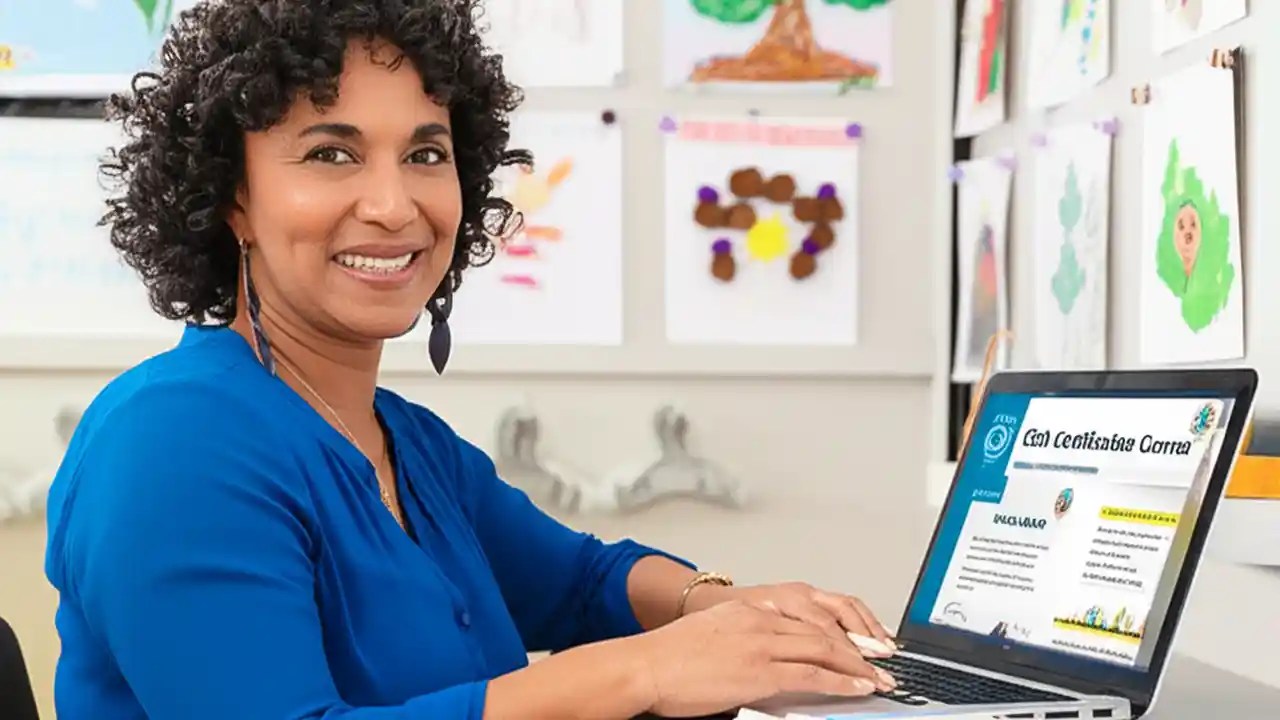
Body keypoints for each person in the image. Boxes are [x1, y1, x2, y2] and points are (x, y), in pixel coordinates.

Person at [43, 2, 898, 718]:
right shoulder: (170, 446)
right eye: (330, 153)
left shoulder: (406, 444)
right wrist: (651, 668)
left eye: (425, 154)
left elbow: (580, 583)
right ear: (232, 195)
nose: (393, 204)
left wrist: (726, 606)